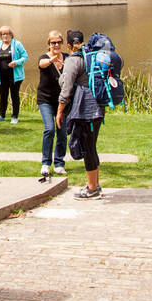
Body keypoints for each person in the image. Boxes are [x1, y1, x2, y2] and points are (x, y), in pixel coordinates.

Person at [57, 29, 104, 199]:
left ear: (68, 45)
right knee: (91, 146)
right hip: (98, 107)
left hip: (86, 110)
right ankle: (95, 185)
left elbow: (66, 89)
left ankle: (92, 188)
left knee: (88, 148)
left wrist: (60, 111)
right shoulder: (90, 57)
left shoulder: (73, 61)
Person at [36, 30, 68, 180]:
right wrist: (51, 61)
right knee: (49, 129)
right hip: (46, 100)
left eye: (58, 42)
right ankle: (46, 163)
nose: (56, 45)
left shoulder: (67, 59)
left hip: (62, 101)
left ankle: (59, 163)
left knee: (61, 131)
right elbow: (41, 64)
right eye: (53, 43)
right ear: (48, 44)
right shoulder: (44, 58)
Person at [0, 25, 28, 124]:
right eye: (3, 34)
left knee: (14, 96)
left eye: (7, 34)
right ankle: (1, 115)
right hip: (2, 76)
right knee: (3, 96)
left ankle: (15, 116)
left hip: (15, 76)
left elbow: (25, 57)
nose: (5, 36)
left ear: (11, 34)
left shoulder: (17, 44)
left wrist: (16, 62)